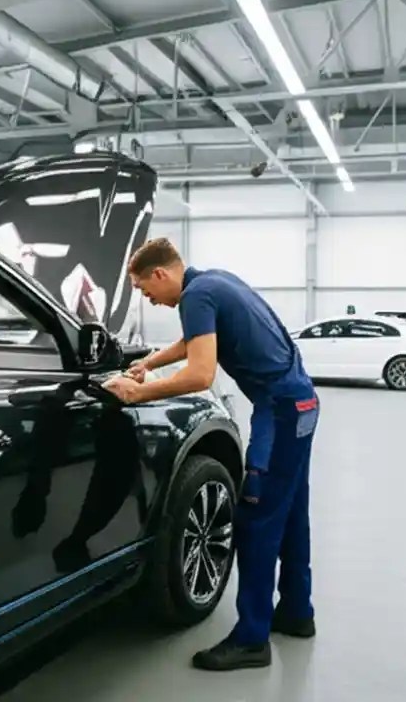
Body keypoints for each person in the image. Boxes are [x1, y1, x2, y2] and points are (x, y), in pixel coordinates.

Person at [102, 238, 319, 672]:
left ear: (161, 274)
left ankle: (252, 638)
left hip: (277, 410)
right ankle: (297, 613)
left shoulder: (195, 295)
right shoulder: (215, 282)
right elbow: (195, 342)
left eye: (146, 290)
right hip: (302, 403)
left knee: (256, 520)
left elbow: (201, 374)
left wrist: (139, 392)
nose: (149, 298)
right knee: (291, 511)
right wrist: (149, 360)